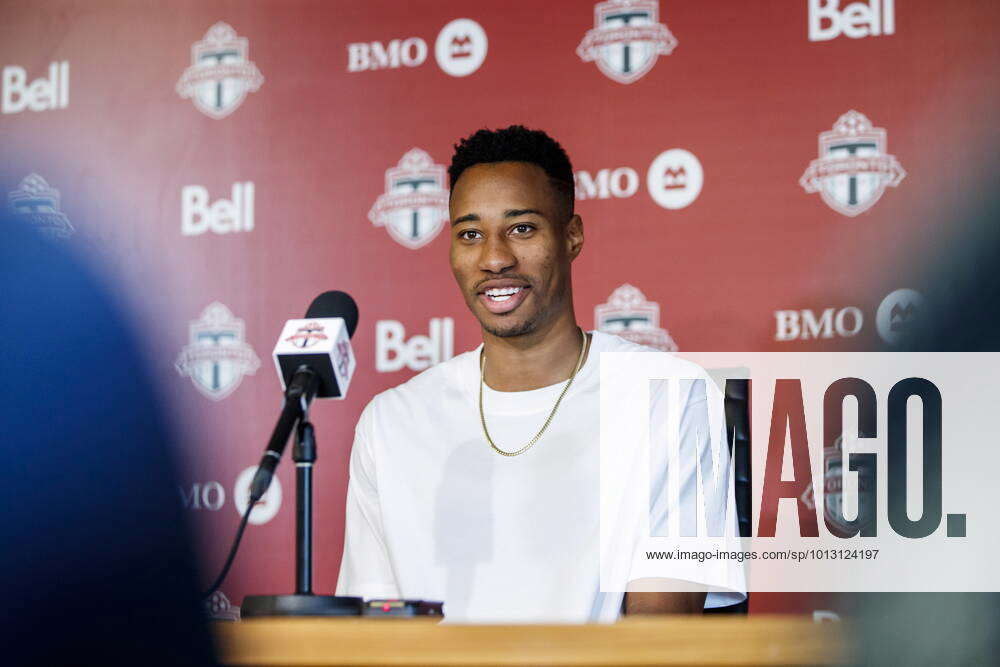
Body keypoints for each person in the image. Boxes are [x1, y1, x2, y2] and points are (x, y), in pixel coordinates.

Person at [336, 126, 744, 622]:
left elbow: (660, 631)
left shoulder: (669, 395)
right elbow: (371, 633)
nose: (494, 258)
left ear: (572, 236)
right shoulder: (391, 421)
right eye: (470, 234)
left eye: (522, 228)